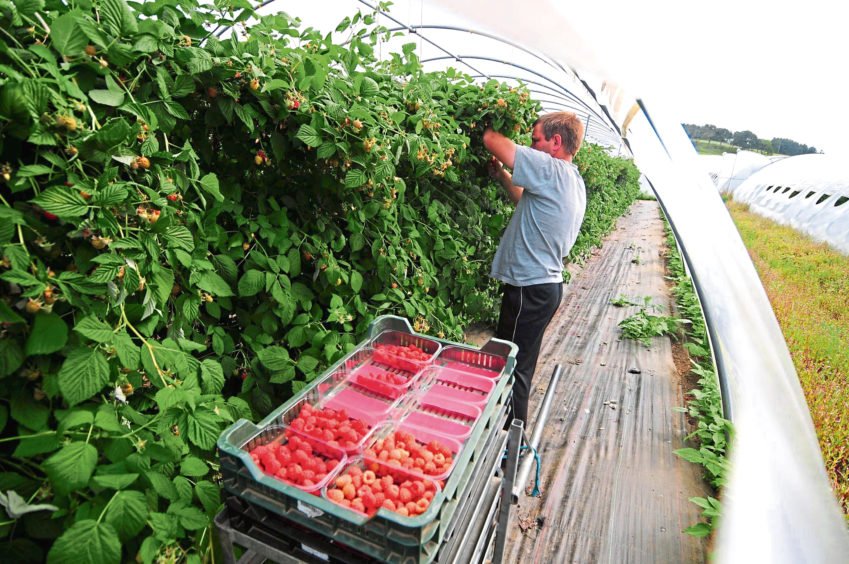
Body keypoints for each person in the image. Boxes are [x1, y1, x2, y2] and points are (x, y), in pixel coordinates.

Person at [483, 111, 587, 426]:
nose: (531, 146)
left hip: (529, 289)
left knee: (511, 366)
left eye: (535, 140)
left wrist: (484, 118)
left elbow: (492, 141)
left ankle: (508, 443)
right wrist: (503, 176)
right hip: (542, 288)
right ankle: (507, 438)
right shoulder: (570, 179)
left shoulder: (550, 168)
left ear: (556, 142)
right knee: (519, 362)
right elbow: (528, 202)